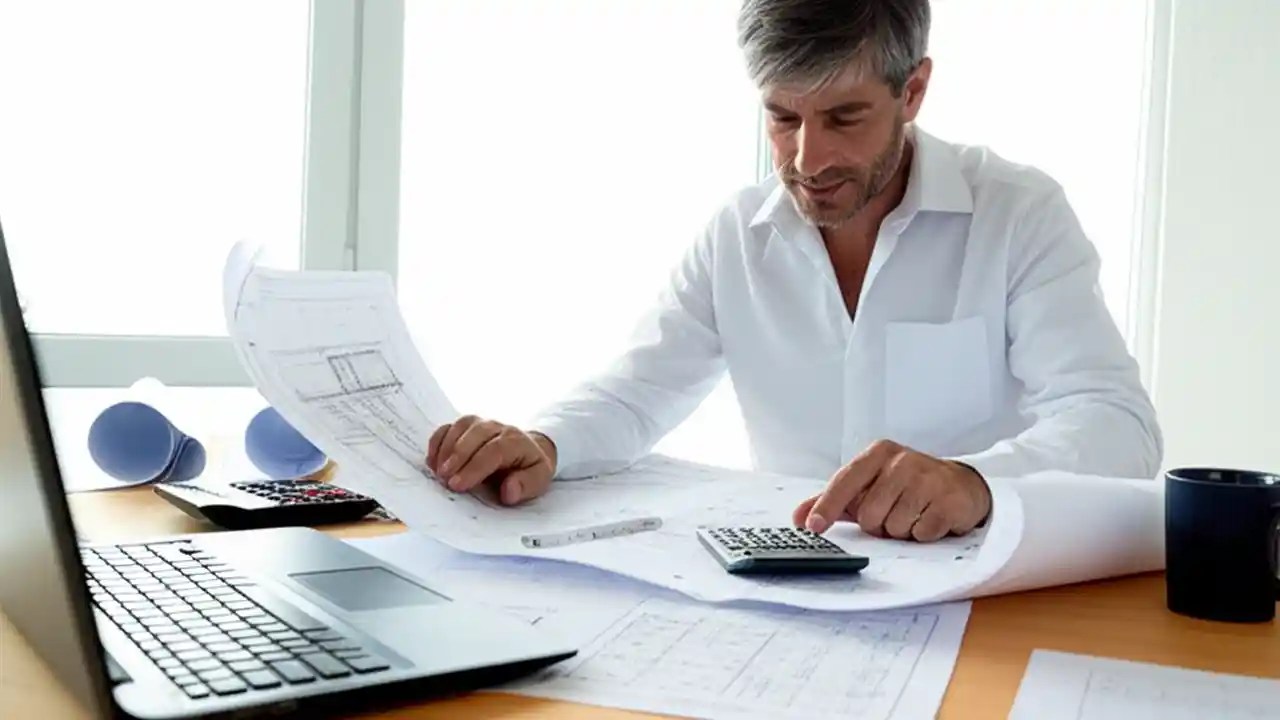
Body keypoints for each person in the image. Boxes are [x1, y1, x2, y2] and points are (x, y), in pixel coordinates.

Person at [425, 0, 1162, 543]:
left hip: (975, 599)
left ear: (913, 92)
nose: (807, 162)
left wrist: (976, 482)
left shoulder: (1018, 213)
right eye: (782, 118)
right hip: (789, 597)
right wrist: (546, 444)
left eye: (844, 118)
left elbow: (1120, 429)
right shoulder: (736, 237)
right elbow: (636, 392)